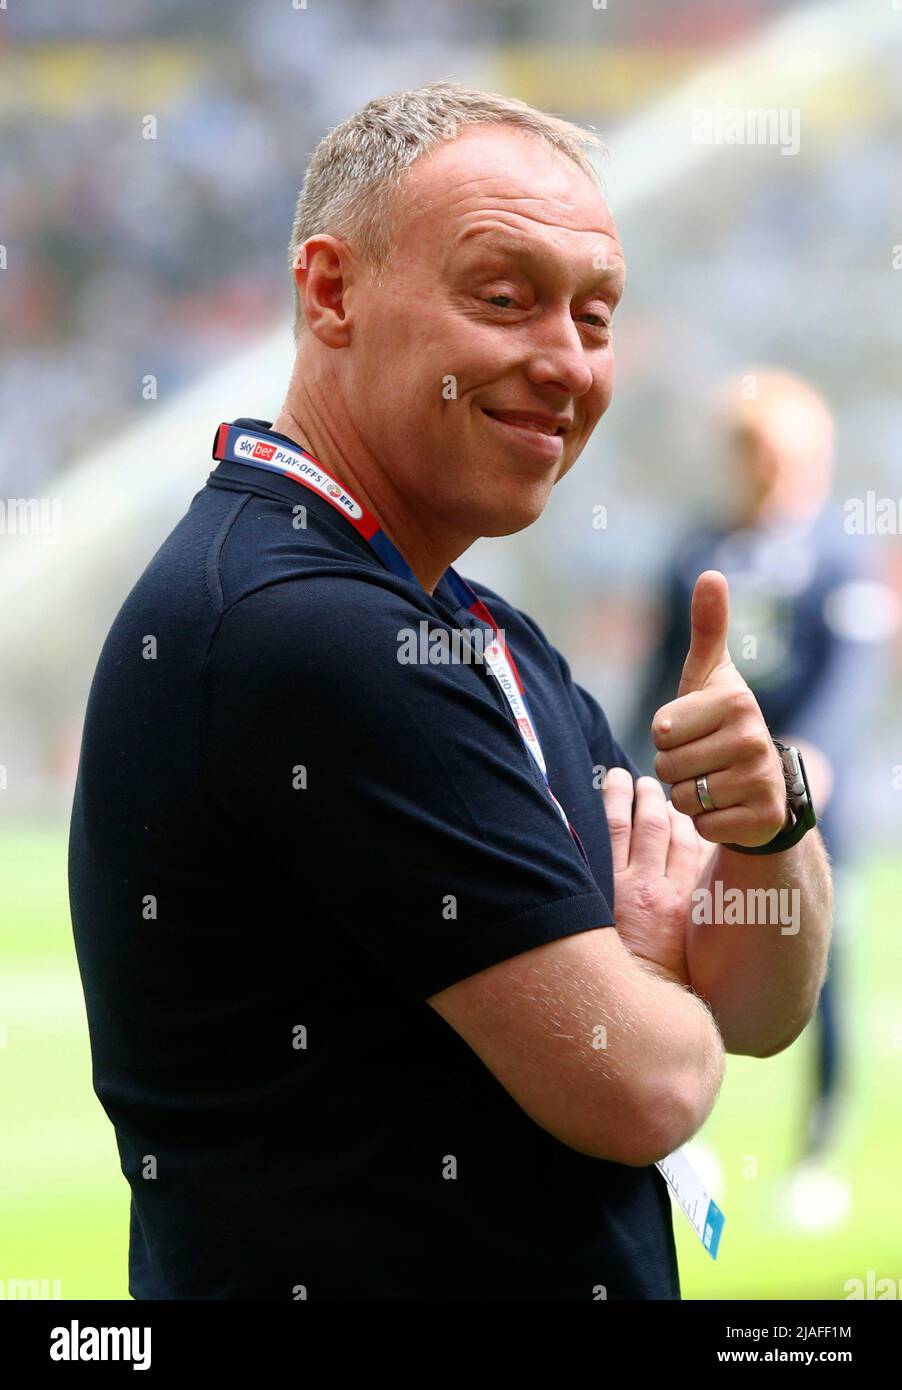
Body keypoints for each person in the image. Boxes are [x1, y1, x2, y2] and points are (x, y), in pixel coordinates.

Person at [68, 81, 832, 1300]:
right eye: (503, 297)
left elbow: (752, 1007)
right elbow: (646, 1084)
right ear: (330, 291)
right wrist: (639, 975)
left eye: (594, 316)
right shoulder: (311, 631)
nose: (563, 361)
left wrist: (765, 826)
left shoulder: (459, 625)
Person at [626, 369, 889, 1224]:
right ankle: (684, 1127)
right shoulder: (699, 549)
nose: (768, 466)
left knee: (821, 968)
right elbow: (660, 677)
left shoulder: (840, 555)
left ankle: (817, 1151)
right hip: (702, 803)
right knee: (675, 955)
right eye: (753, 448)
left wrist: (798, 770)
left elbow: (849, 682)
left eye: (780, 449)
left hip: (802, 805)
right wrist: (630, 763)